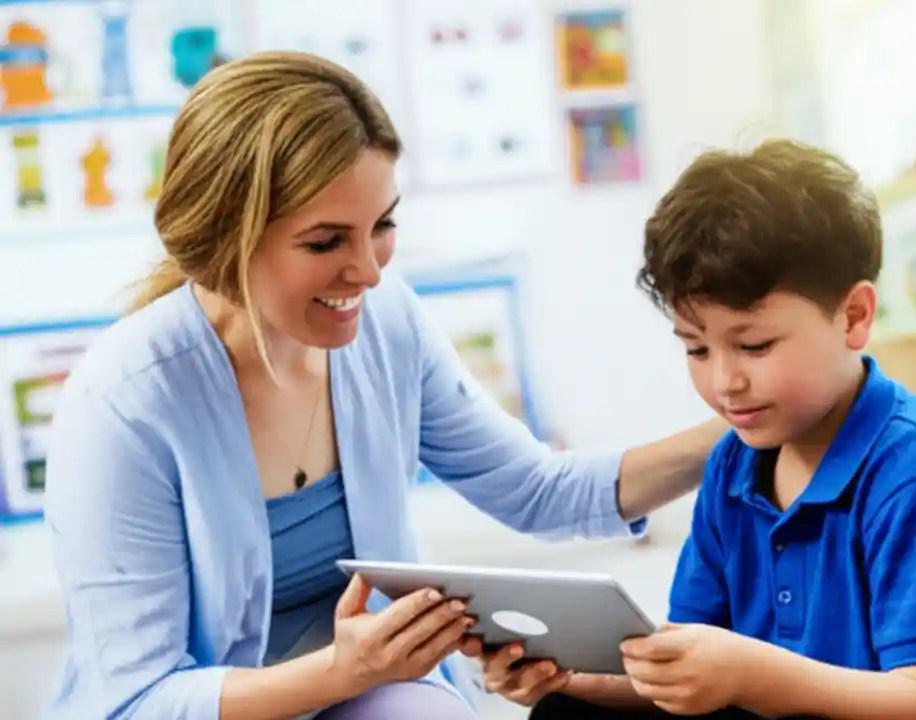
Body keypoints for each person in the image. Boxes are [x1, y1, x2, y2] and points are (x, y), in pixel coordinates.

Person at [42, 51, 724, 720]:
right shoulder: (126, 403)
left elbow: (537, 490)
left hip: (380, 696)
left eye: (383, 226)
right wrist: (343, 671)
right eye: (325, 242)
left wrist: (740, 431)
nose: (368, 271)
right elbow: (137, 698)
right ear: (228, 234)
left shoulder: (384, 323)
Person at [482, 139, 916, 719]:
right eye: (696, 349)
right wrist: (569, 677)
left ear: (854, 316)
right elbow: (696, 666)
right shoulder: (734, 463)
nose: (725, 381)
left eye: (754, 345)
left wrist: (744, 672)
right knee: (569, 712)